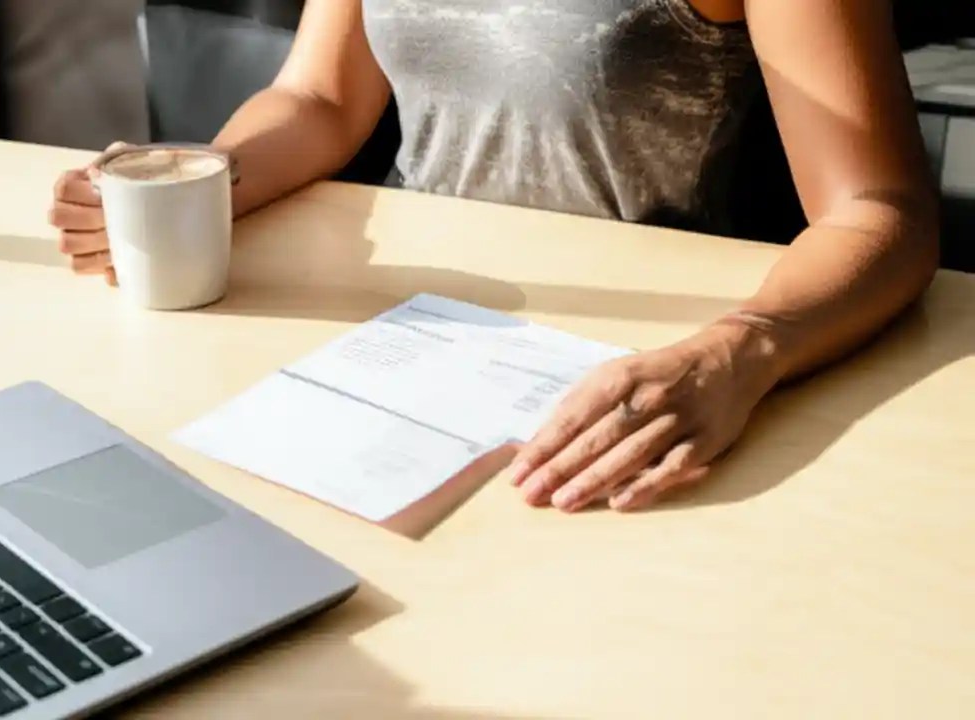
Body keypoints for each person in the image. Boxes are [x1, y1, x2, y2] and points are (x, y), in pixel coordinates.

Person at [48, 0, 939, 512]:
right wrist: (201, 186)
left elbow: (880, 212)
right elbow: (318, 96)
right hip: (400, 344)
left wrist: (739, 351)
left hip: (630, 369)